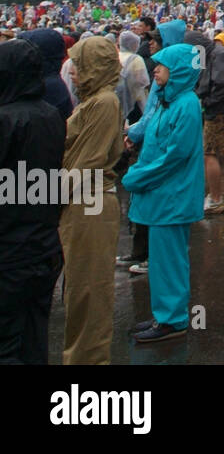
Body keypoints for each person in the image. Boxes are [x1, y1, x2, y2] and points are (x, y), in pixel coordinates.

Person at [121, 41, 206, 343]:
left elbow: (175, 155)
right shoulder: (168, 100)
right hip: (163, 195)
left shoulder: (186, 104)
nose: (154, 70)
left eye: (161, 65)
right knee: (161, 259)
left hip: (173, 195)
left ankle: (173, 320)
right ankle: (165, 315)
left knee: (169, 259)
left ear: (179, 71)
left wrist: (137, 176)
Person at [0, 39, 66, 363]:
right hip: (45, 242)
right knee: (35, 337)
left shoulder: (7, 119)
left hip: (11, 248)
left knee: (7, 340)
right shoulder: (51, 114)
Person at [60, 36, 123, 364]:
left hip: (90, 204)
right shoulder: (94, 100)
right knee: (80, 295)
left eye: (79, 65)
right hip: (83, 203)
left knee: (89, 295)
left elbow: (86, 162)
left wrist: (47, 198)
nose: (72, 72)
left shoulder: (103, 102)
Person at [185, 30, 224, 214]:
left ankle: (216, 199)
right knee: (208, 153)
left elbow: (223, 84)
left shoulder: (218, 55)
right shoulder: (210, 54)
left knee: (209, 153)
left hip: (219, 110)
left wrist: (208, 102)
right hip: (217, 107)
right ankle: (212, 195)